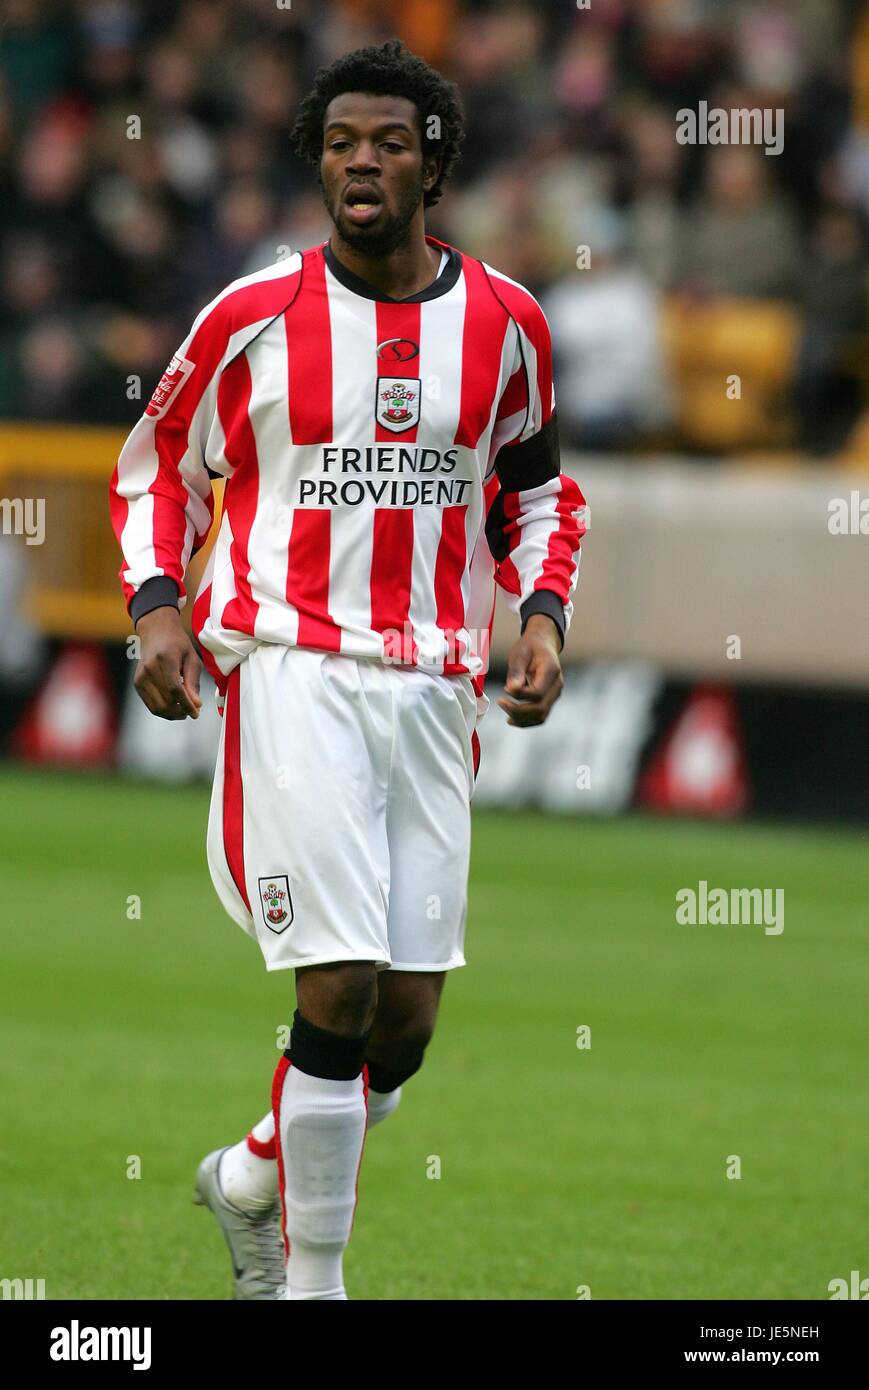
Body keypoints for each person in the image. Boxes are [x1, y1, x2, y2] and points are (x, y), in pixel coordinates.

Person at [109, 39, 586, 1302]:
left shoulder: (503, 323)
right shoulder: (252, 314)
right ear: (317, 161)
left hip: (435, 691)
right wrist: (156, 604)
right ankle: (311, 1284)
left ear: (435, 161)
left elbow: (536, 495)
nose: (359, 162)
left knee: (407, 1024)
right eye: (337, 143)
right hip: (292, 668)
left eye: (386, 141)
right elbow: (157, 465)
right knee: (338, 976)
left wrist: (540, 617)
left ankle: (256, 1173)